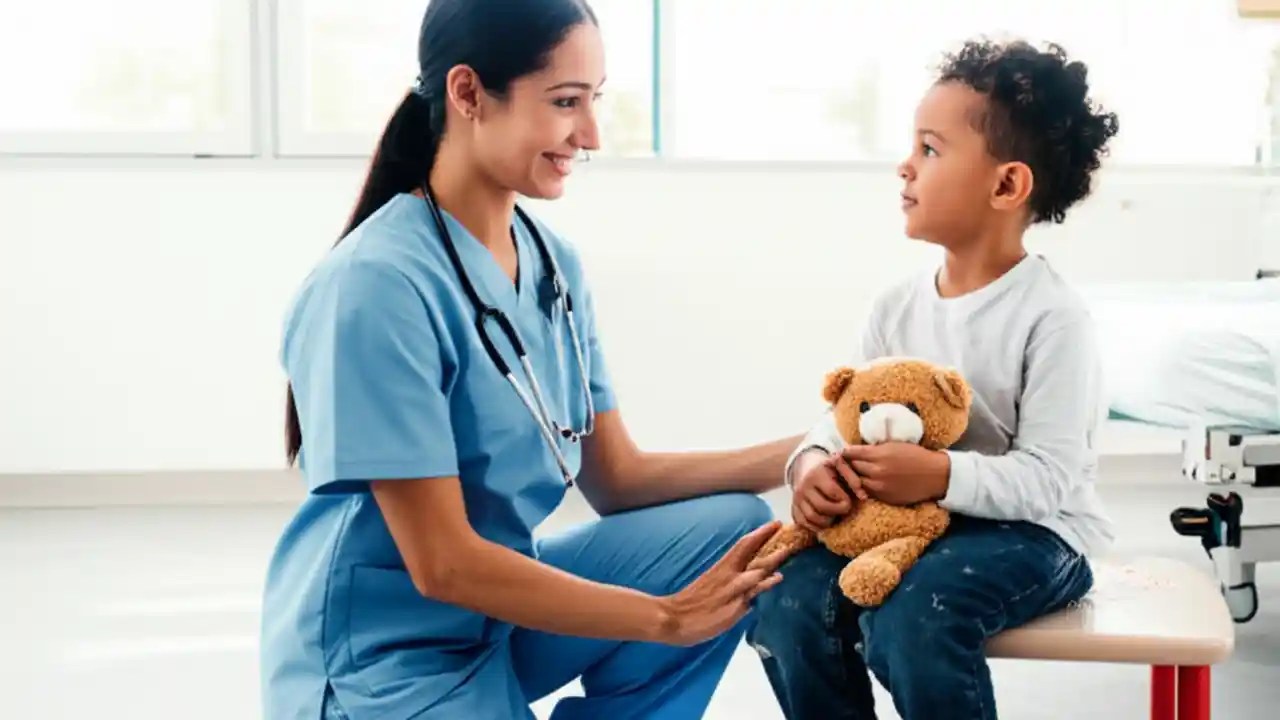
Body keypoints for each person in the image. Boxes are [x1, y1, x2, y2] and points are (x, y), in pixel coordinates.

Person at [259, 1, 802, 718]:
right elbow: (444, 563)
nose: (592, 134)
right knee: (690, 589)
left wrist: (810, 448)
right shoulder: (374, 288)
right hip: (386, 661)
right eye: (565, 102)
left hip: (497, 618)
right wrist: (665, 617)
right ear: (467, 94)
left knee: (734, 532)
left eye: (595, 100)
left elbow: (616, 477)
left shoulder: (553, 264)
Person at [747, 38, 1120, 720]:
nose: (904, 167)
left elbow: (1049, 479)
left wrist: (939, 476)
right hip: (913, 525)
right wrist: (812, 467)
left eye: (929, 149)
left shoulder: (1054, 318)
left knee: (917, 615)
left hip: (1041, 535)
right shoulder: (895, 307)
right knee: (783, 597)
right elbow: (843, 419)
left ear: (1006, 184)